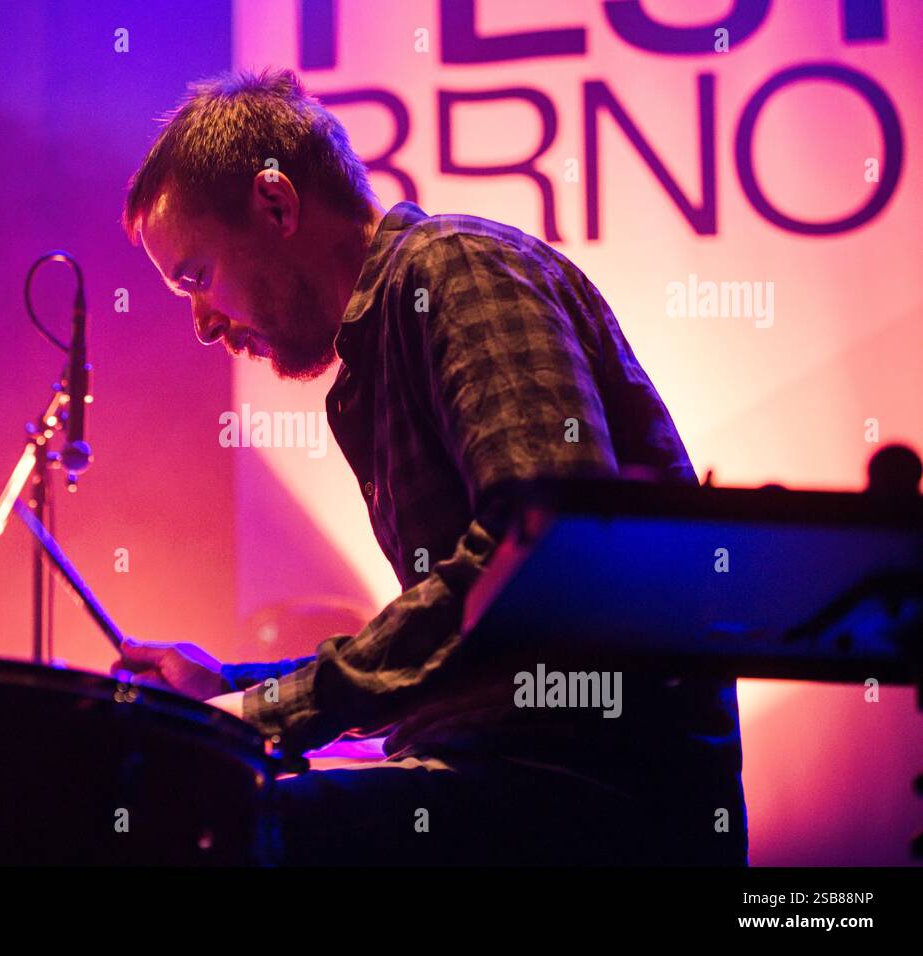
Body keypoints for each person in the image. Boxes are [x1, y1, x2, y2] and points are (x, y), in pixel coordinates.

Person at [116, 68, 747, 866]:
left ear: (276, 204)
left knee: (206, 833)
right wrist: (231, 691)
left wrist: (260, 713)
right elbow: (447, 627)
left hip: (586, 798)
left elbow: (539, 567)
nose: (203, 323)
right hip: (510, 779)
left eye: (196, 277)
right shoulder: (382, 344)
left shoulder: (455, 270)